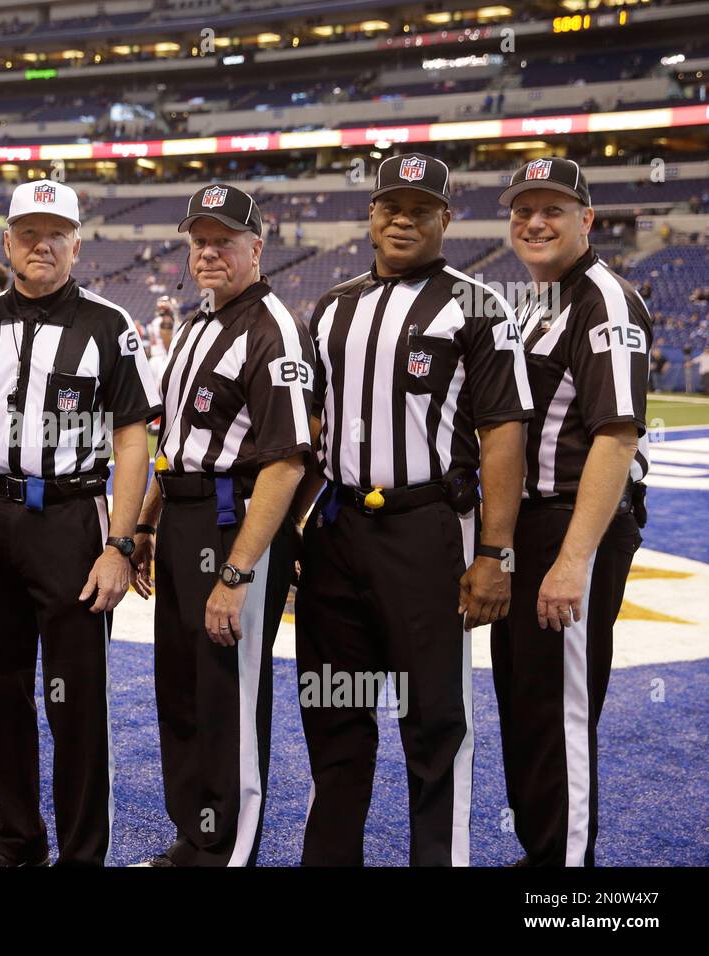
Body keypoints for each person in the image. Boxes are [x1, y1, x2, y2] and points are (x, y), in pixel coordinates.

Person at [290, 153, 533, 866]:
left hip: (427, 531)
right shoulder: (333, 304)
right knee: (334, 713)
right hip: (338, 531)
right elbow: (313, 434)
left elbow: (504, 435)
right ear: (370, 214)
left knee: (432, 724)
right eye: (391, 205)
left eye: (420, 209)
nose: (403, 218)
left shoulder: (480, 304)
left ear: (446, 219)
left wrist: (494, 554)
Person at [0, 180, 161, 867]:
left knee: (77, 703)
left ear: (77, 242)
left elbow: (133, 441)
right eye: (29, 233)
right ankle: (18, 838)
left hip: (71, 519)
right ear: (8, 243)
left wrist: (120, 544)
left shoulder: (107, 324)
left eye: (56, 232)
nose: (42, 244)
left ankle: (82, 854)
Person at [130, 183, 313, 867]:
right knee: (181, 688)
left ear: (256, 248)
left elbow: (288, 463)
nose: (208, 253)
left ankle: (229, 853)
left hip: (232, 523)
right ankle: (196, 836)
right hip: (181, 516)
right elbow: (175, 441)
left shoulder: (273, 330)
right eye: (199, 241)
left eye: (224, 241)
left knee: (229, 695)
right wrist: (147, 526)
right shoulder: (201, 324)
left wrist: (239, 571)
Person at [494, 158, 650, 866]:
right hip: (528, 526)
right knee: (526, 703)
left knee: (559, 712)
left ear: (587, 219)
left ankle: (567, 880)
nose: (535, 222)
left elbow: (617, 437)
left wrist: (572, 559)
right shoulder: (538, 301)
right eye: (524, 210)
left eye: (553, 209)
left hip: (570, 524)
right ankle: (542, 853)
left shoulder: (603, 300)